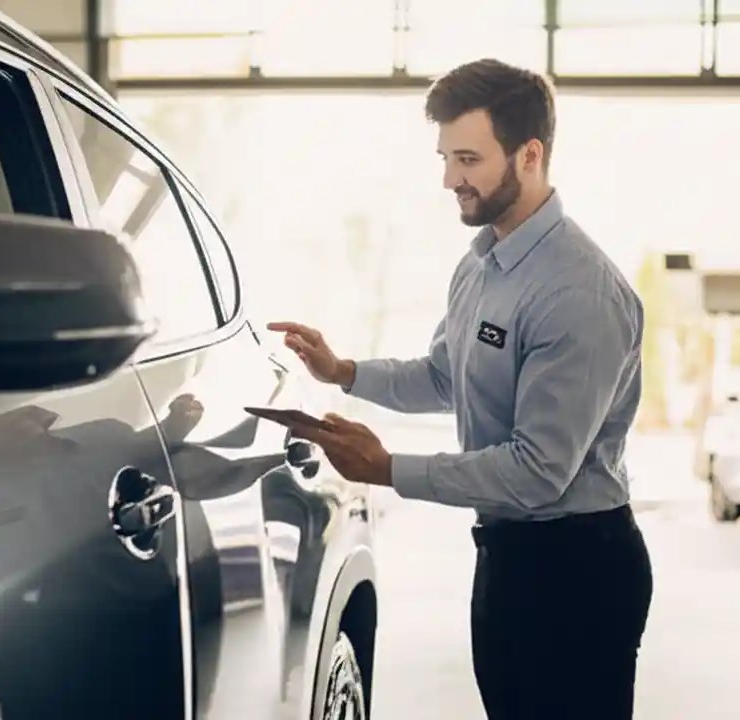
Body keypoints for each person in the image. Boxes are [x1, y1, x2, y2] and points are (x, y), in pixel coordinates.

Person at [269, 58, 653, 719]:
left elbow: (539, 473)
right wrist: (344, 373)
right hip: (508, 558)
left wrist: (389, 468)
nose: (450, 179)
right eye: (446, 158)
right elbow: (446, 376)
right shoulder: (481, 264)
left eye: (468, 159)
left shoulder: (579, 293)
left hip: (578, 572)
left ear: (530, 155)